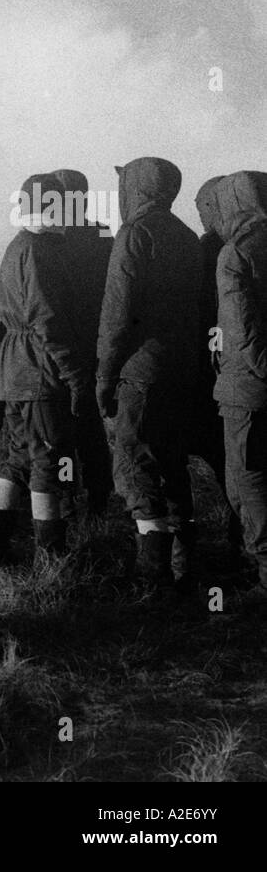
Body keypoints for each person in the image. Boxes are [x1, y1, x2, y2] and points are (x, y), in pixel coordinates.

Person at [96, 157, 202, 591]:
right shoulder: (188, 236)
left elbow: (117, 316)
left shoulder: (134, 233)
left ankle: (152, 579)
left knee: (137, 466)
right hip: (182, 370)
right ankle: (184, 570)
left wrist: (104, 376)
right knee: (173, 464)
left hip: (142, 373)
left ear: (135, 188)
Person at [0, 174, 93, 566]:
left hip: (15, 372)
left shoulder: (19, 245)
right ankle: (52, 556)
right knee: (48, 461)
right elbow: (49, 322)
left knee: (18, 458)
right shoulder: (42, 249)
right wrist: (75, 376)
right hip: (39, 374)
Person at [207, 171, 267, 595]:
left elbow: (242, 331)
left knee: (248, 481)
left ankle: (263, 570)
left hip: (249, 389)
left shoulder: (235, 253)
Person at [55, 169, 114, 517]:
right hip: (93, 345)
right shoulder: (102, 235)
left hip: (61, 347)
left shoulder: (52, 240)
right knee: (90, 425)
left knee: (61, 427)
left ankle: (66, 494)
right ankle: (97, 494)